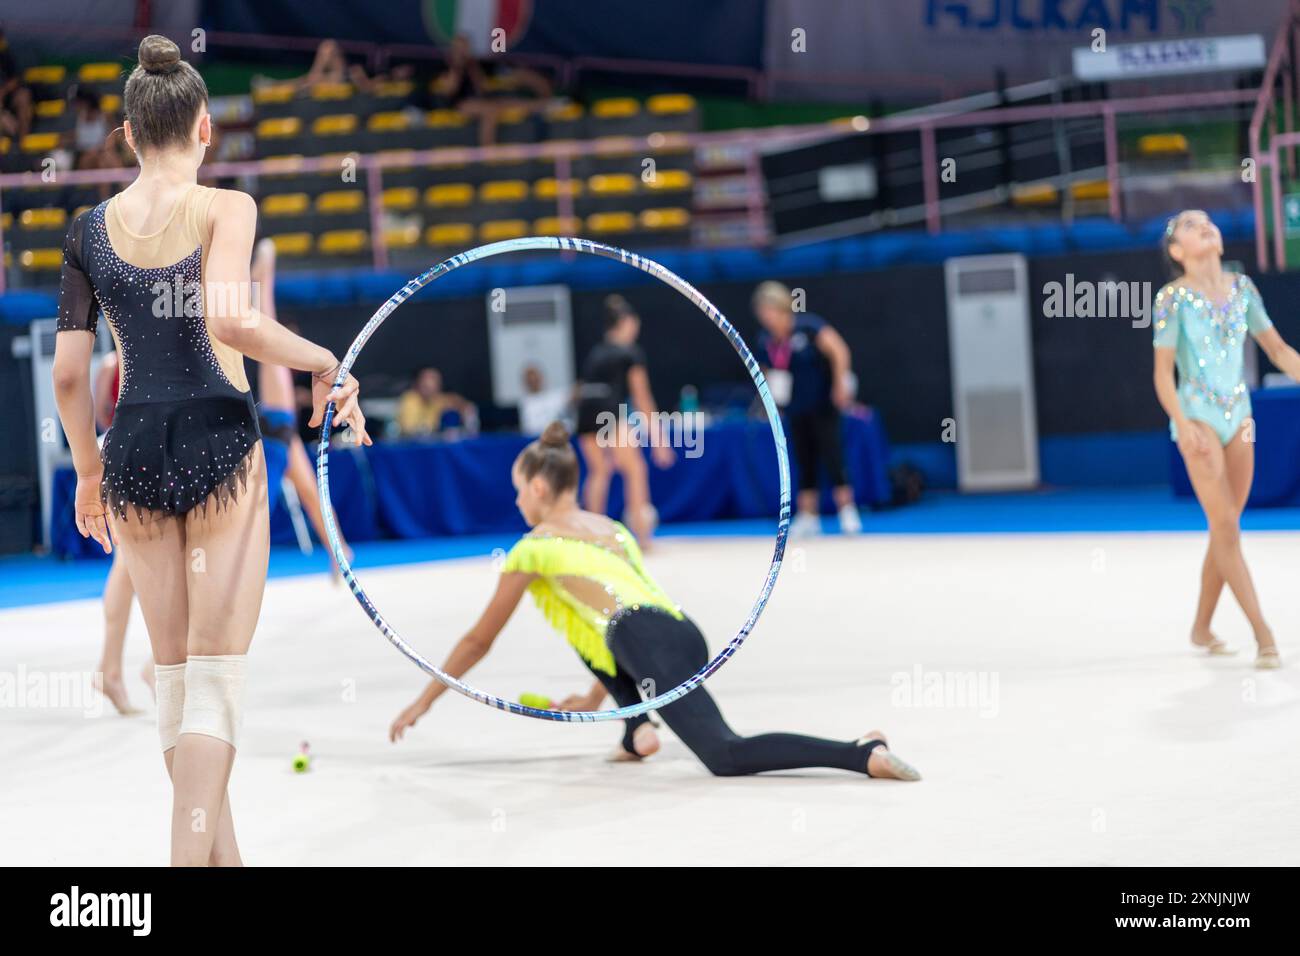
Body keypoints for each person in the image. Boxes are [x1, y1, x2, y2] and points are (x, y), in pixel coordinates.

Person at [52, 35, 370, 866]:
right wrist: (324, 360)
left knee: (178, 683)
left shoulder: (89, 229)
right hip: (217, 439)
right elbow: (231, 322)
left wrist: (88, 474)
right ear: (204, 127)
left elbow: (66, 377)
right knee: (215, 685)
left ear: (126, 133)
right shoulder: (225, 207)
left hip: (131, 448)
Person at [388, 422, 920, 781]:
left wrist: (423, 701)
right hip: (679, 632)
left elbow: (479, 639)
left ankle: (858, 752)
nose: (516, 500)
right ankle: (635, 728)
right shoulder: (613, 529)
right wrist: (596, 700)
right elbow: (613, 619)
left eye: (519, 490)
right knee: (603, 624)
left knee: (724, 754)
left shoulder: (533, 549)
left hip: (643, 638)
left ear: (541, 490)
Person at [1153, 209, 1300, 669]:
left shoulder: (1243, 289)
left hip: (1239, 415)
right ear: (1177, 251)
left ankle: (1201, 627)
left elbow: (1276, 349)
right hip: (1196, 416)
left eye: (1206, 221)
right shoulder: (1171, 299)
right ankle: (1264, 633)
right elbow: (1161, 374)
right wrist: (1182, 423)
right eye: (1190, 226)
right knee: (1227, 529)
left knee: (1226, 527)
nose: (1204, 226)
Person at [251, 237, 354, 577]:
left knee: (312, 495)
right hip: (274, 428)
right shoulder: (266, 349)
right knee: (267, 509)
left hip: (281, 431)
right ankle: (265, 266)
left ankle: (339, 549)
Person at [752, 281, 861, 538]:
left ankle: (847, 512)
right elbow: (767, 373)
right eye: (763, 312)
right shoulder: (766, 340)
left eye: (771, 310)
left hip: (823, 404)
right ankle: (809, 516)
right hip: (795, 409)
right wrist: (771, 405)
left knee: (833, 456)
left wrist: (840, 383)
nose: (767, 317)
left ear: (782, 307)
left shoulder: (809, 327)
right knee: (803, 459)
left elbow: (839, 351)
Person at [575, 295, 674, 548]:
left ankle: (592, 539)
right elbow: (642, 398)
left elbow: (583, 391)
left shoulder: (596, 353)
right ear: (628, 323)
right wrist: (660, 440)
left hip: (586, 415)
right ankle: (643, 539)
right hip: (609, 414)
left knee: (599, 472)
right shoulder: (630, 353)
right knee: (635, 471)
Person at [432, 33, 552, 145]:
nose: (462, 51)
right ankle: (488, 150)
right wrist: (457, 67)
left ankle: (548, 123)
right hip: (459, 104)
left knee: (513, 103)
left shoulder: (474, 64)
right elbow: (450, 90)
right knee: (490, 111)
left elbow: (482, 87)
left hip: (480, 100)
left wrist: (471, 66)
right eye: (459, 48)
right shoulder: (447, 66)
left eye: (465, 47)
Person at [395, 366, 477, 438]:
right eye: (427, 379)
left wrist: (466, 411)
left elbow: (464, 404)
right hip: (410, 447)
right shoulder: (410, 399)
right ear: (418, 383)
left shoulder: (437, 399)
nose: (431, 383)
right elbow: (409, 431)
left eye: (435, 380)